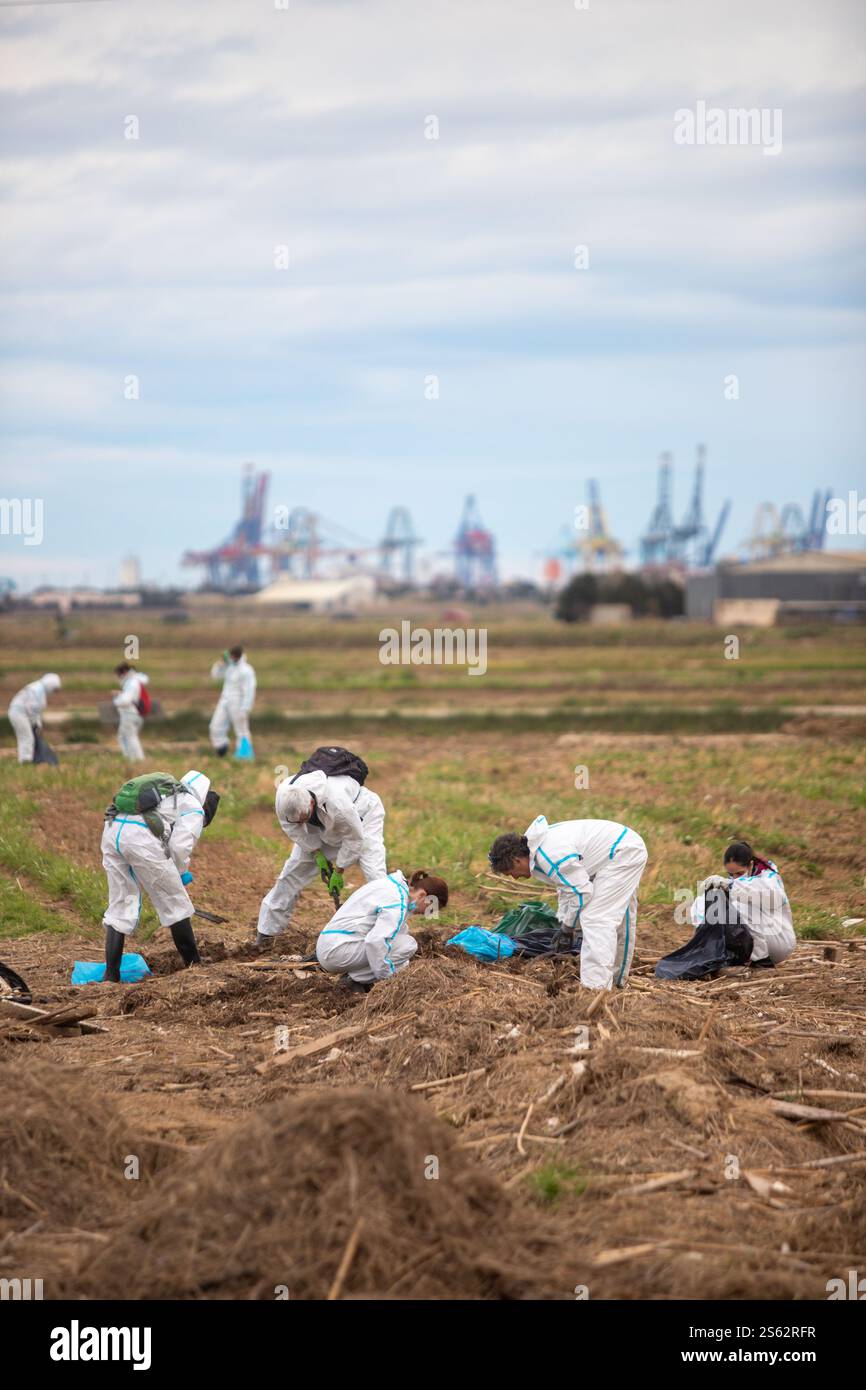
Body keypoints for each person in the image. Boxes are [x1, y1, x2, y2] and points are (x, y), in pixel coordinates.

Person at [488, 817, 648, 991]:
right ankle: (617, 981)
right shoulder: (537, 851)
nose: (514, 877)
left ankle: (594, 989)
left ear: (517, 860)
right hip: (620, 848)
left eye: (511, 872)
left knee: (596, 919)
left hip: (622, 853)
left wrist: (568, 927)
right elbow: (566, 888)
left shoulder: (549, 855)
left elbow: (581, 892)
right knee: (620, 917)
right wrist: (564, 922)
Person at [100, 769, 220, 981]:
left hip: (112, 829)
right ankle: (194, 965)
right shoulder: (193, 806)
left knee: (120, 903)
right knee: (176, 904)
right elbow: (180, 848)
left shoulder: (168, 794)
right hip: (139, 837)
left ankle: (111, 975)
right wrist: (179, 875)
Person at [256, 768, 387, 944]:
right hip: (319, 827)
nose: (300, 822)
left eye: (304, 818)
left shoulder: (339, 804)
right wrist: (316, 852)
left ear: (310, 803)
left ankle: (387, 929)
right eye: (298, 821)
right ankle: (267, 932)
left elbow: (355, 839)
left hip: (363, 816)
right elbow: (292, 828)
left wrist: (339, 871)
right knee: (291, 873)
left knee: (375, 873)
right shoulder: (284, 797)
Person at [315, 869, 449, 992]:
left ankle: (358, 977)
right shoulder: (397, 902)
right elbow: (375, 941)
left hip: (331, 945)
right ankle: (354, 979)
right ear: (422, 895)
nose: (426, 914)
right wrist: (388, 979)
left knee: (402, 948)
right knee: (408, 944)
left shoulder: (392, 886)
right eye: (430, 908)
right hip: (337, 952)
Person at [691, 840, 796, 966]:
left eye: (739, 873)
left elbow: (767, 895)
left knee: (741, 909)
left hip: (777, 941)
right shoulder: (735, 882)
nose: (735, 878)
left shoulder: (768, 877)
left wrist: (730, 886)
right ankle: (715, 953)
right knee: (702, 903)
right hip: (754, 941)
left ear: (751, 865)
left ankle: (762, 961)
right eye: (731, 874)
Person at [209, 646, 256, 760]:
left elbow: (250, 690)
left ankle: (245, 754)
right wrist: (220, 664)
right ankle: (221, 748)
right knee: (215, 725)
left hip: (238, 702)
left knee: (241, 729)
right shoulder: (229, 666)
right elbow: (215, 676)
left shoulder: (246, 670)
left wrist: (245, 708)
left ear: (237, 656)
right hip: (225, 700)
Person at [7, 673, 61, 762]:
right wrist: (34, 723)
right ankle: (25, 760)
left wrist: (36, 723)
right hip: (19, 714)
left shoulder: (38, 688)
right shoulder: (37, 690)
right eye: (54, 689)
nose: (54, 692)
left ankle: (28, 758)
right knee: (26, 737)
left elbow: (36, 711)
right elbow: (32, 708)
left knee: (28, 737)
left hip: (20, 713)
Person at [113, 663, 150, 763]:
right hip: (136, 714)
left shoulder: (131, 682)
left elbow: (125, 700)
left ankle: (136, 760)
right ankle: (134, 759)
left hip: (130, 714)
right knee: (126, 737)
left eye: (118, 674)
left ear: (124, 672)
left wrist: (116, 699)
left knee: (129, 737)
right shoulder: (136, 681)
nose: (118, 677)